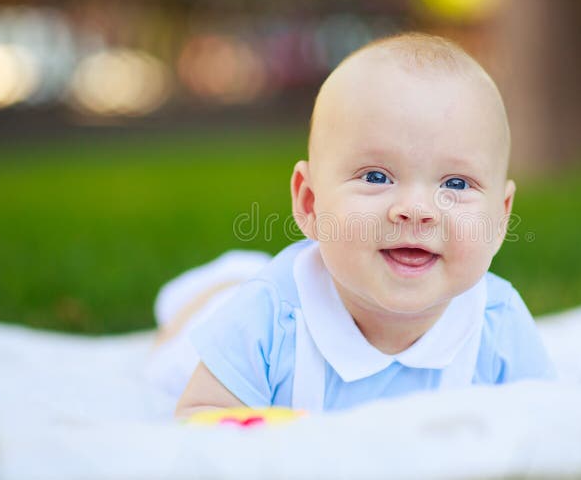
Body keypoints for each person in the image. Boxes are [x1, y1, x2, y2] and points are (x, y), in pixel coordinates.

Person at [156, 32, 555, 418]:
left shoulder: (497, 320)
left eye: (455, 183)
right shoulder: (270, 316)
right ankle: (210, 290)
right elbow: (200, 413)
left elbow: (549, 424)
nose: (416, 210)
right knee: (187, 334)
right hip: (236, 304)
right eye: (376, 177)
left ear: (500, 217)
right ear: (310, 203)